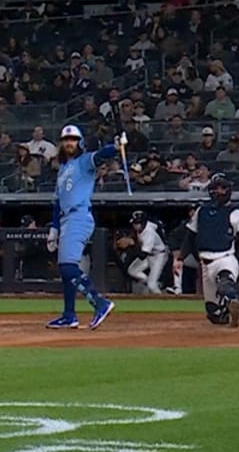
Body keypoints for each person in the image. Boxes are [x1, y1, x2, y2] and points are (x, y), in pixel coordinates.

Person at [172, 175, 239, 327]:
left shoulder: (235, 213)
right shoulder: (202, 211)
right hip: (205, 263)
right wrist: (180, 258)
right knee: (215, 316)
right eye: (216, 189)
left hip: (225, 258)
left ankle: (233, 299)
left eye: (222, 188)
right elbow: (191, 235)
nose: (218, 192)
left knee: (225, 283)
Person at [45, 124, 120, 329]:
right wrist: (54, 228)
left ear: (80, 142)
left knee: (67, 266)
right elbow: (58, 201)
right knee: (66, 269)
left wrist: (115, 147)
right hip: (66, 219)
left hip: (78, 216)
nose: (69, 143)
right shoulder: (62, 168)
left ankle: (99, 302)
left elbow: (101, 155)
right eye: (66, 140)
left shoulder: (84, 161)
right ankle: (69, 315)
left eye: (73, 140)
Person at [125, 211, 170, 294]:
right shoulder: (145, 226)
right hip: (149, 254)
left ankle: (161, 299)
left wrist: (132, 244)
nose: (135, 225)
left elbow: (143, 255)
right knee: (132, 270)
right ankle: (150, 282)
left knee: (152, 285)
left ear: (143, 222)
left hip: (159, 255)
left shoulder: (149, 233)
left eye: (138, 223)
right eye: (134, 223)